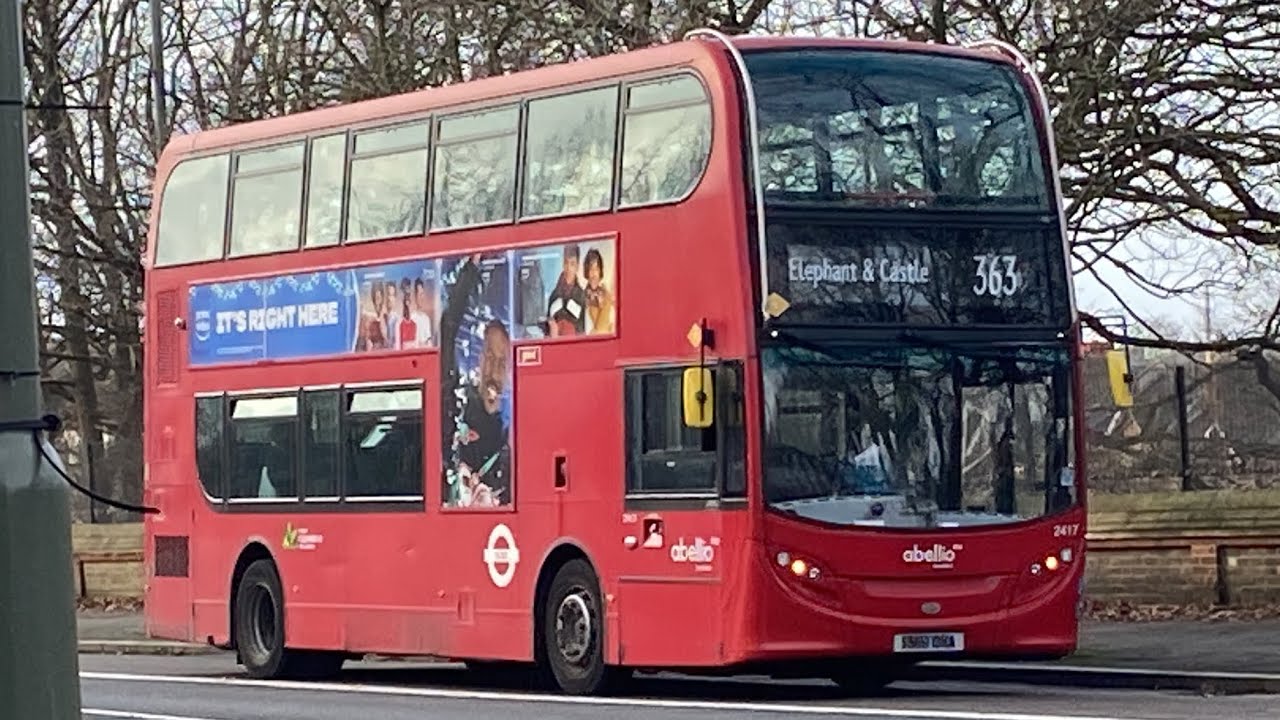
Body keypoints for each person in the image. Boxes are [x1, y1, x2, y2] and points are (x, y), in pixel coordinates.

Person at [455, 320, 511, 506]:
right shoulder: (460, 408)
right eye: (489, 355)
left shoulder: (515, 421)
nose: (493, 369)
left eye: (501, 361)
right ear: (479, 358)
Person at [546, 243, 586, 337]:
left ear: (577, 266)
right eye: (566, 263)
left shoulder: (581, 295)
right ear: (563, 264)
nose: (568, 268)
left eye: (572, 264)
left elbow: (583, 330)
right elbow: (547, 332)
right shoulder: (554, 294)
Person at [583, 247, 614, 334]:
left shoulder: (607, 295)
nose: (594, 273)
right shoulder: (582, 296)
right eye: (591, 269)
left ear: (600, 271)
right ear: (587, 271)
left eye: (596, 269)